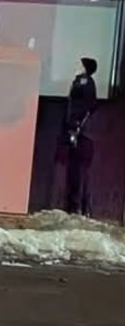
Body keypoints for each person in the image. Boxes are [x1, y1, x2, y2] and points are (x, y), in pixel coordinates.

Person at [60, 57, 97, 216]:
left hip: (79, 130)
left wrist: (77, 125)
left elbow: (88, 106)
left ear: (85, 67)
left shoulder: (86, 83)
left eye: (79, 64)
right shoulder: (78, 81)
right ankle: (72, 205)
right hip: (72, 128)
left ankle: (78, 206)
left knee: (78, 170)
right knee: (72, 169)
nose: (76, 66)